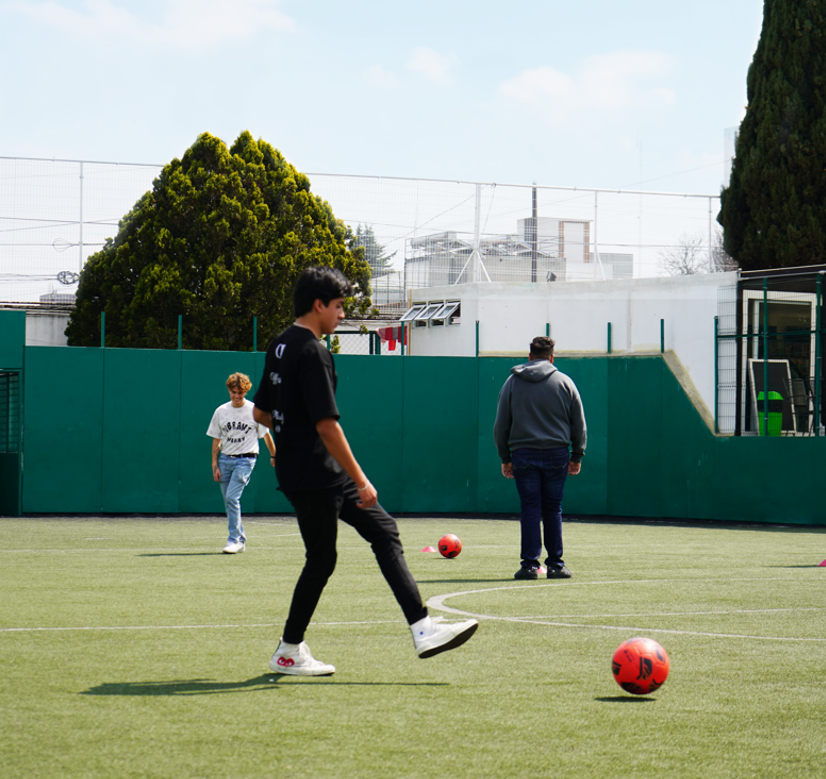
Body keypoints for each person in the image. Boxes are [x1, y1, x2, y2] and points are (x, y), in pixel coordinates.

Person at [253, 266, 477, 676]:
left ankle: (422, 628)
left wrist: (293, 437)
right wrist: (360, 478)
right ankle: (288, 650)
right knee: (323, 558)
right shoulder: (313, 351)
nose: (341, 315)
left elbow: (262, 412)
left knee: (380, 532)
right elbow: (327, 424)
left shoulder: (279, 345)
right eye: (338, 307)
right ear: (318, 305)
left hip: (304, 470)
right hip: (320, 474)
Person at [493, 336, 586, 581]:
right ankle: (555, 565)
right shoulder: (565, 382)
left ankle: (529, 566)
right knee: (553, 508)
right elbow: (579, 423)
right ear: (552, 357)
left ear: (530, 356)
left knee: (530, 508)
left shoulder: (512, 382)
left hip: (523, 454)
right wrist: (576, 454)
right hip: (557, 453)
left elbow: (501, 423)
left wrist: (505, 457)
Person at [207, 372, 276, 554]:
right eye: (233, 392)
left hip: (246, 460)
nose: (237, 396)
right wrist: (214, 465)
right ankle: (240, 539)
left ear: (245, 392)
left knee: (232, 498)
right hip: (225, 460)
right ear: (229, 390)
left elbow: (266, 435)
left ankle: (234, 540)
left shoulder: (254, 411)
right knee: (229, 501)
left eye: (240, 393)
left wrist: (274, 456)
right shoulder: (221, 411)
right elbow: (216, 439)